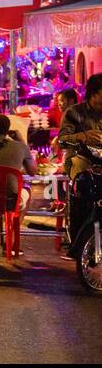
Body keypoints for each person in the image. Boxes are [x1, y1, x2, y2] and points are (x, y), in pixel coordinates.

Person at [54, 73, 102, 249]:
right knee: (82, 183)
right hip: (79, 159)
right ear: (93, 93)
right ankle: (78, 241)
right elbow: (62, 141)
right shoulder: (74, 112)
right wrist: (84, 136)